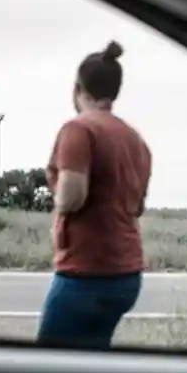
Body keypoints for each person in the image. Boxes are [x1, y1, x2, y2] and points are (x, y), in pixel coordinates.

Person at [38, 40, 152, 348]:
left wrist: (57, 188)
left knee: (48, 370)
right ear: (115, 91)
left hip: (86, 273)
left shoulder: (79, 129)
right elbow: (137, 206)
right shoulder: (136, 139)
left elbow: (72, 198)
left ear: (77, 88)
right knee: (91, 362)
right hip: (126, 275)